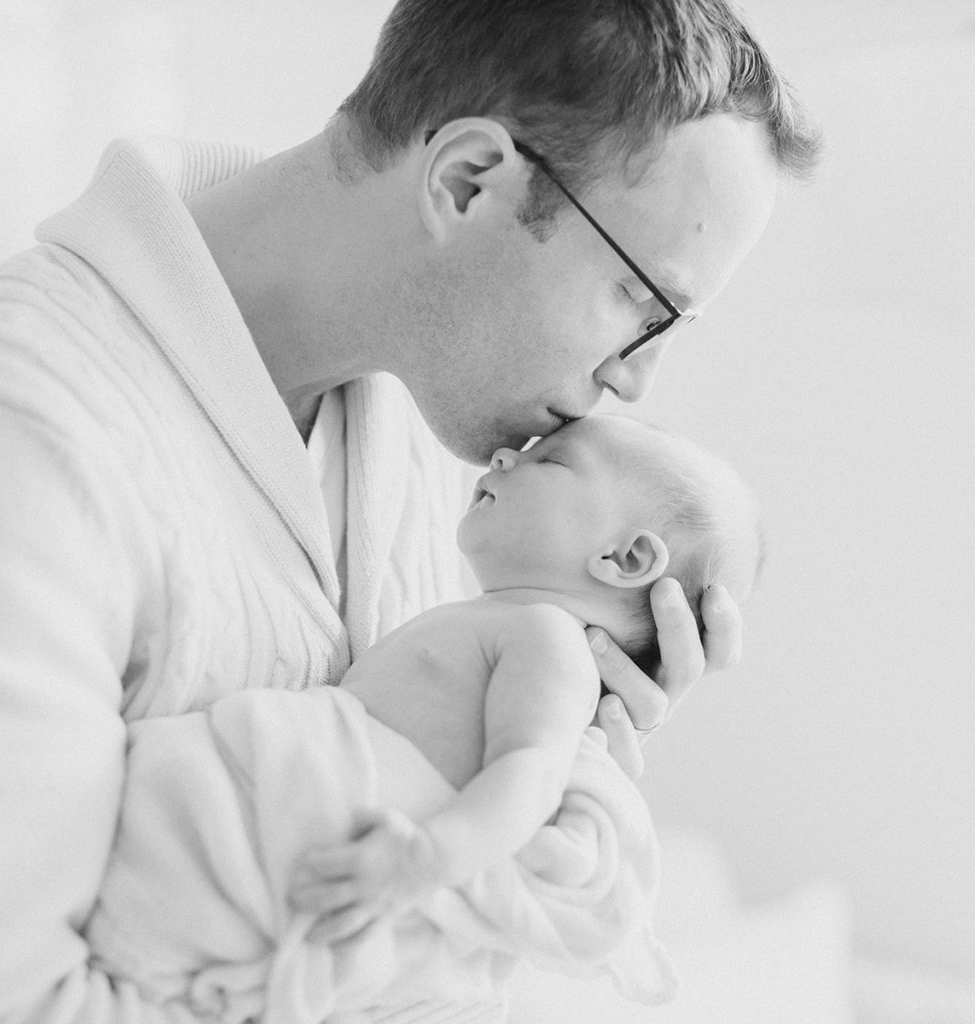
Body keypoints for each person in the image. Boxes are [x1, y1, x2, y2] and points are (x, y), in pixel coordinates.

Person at [0, 1, 820, 1021]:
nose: (636, 382)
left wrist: (559, 757)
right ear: (467, 181)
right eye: (643, 303)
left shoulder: (433, 437)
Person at [83, 414, 760, 1021]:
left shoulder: (548, 641)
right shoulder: (495, 622)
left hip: (358, 840)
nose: (503, 459)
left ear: (625, 557)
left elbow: (531, 772)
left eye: (550, 461)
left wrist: (428, 857)